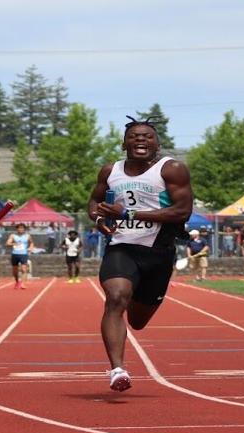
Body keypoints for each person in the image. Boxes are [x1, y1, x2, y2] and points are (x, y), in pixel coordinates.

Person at [89, 116, 194, 392]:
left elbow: (182, 212)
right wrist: (98, 220)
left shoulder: (171, 169)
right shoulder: (110, 171)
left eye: (147, 136)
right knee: (115, 298)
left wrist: (129, 213)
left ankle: (139, 296)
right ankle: (117, 369)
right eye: (134, 136)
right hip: (122, 247)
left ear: (157, 143)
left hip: (159, 253)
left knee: (137, 320)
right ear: (124, 143)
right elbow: (94, 201)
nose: (141, 140)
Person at [6, 223, 33, 289]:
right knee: (15, 271)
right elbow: (7, 243)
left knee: (24, 269)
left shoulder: (27, 236)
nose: (20, 229)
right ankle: (17, 281)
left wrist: (30, 248)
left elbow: (31, 242)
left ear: (24, 229)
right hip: (15, 254)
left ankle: (22, 284)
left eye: (22, 228)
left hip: (24, 254)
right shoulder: (13, 236)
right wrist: (13, 243)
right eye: (19, 228)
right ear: (17, 229)